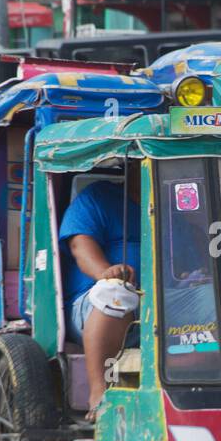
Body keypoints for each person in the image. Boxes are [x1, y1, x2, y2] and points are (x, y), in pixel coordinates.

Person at [59, 160, 143, 420]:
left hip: (164, 304)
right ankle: (100, 393)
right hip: (94, 305)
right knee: (116, 294)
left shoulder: (181, 202)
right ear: (134, 167)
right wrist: (105, 272)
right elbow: (80, 247)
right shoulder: (97, 198)